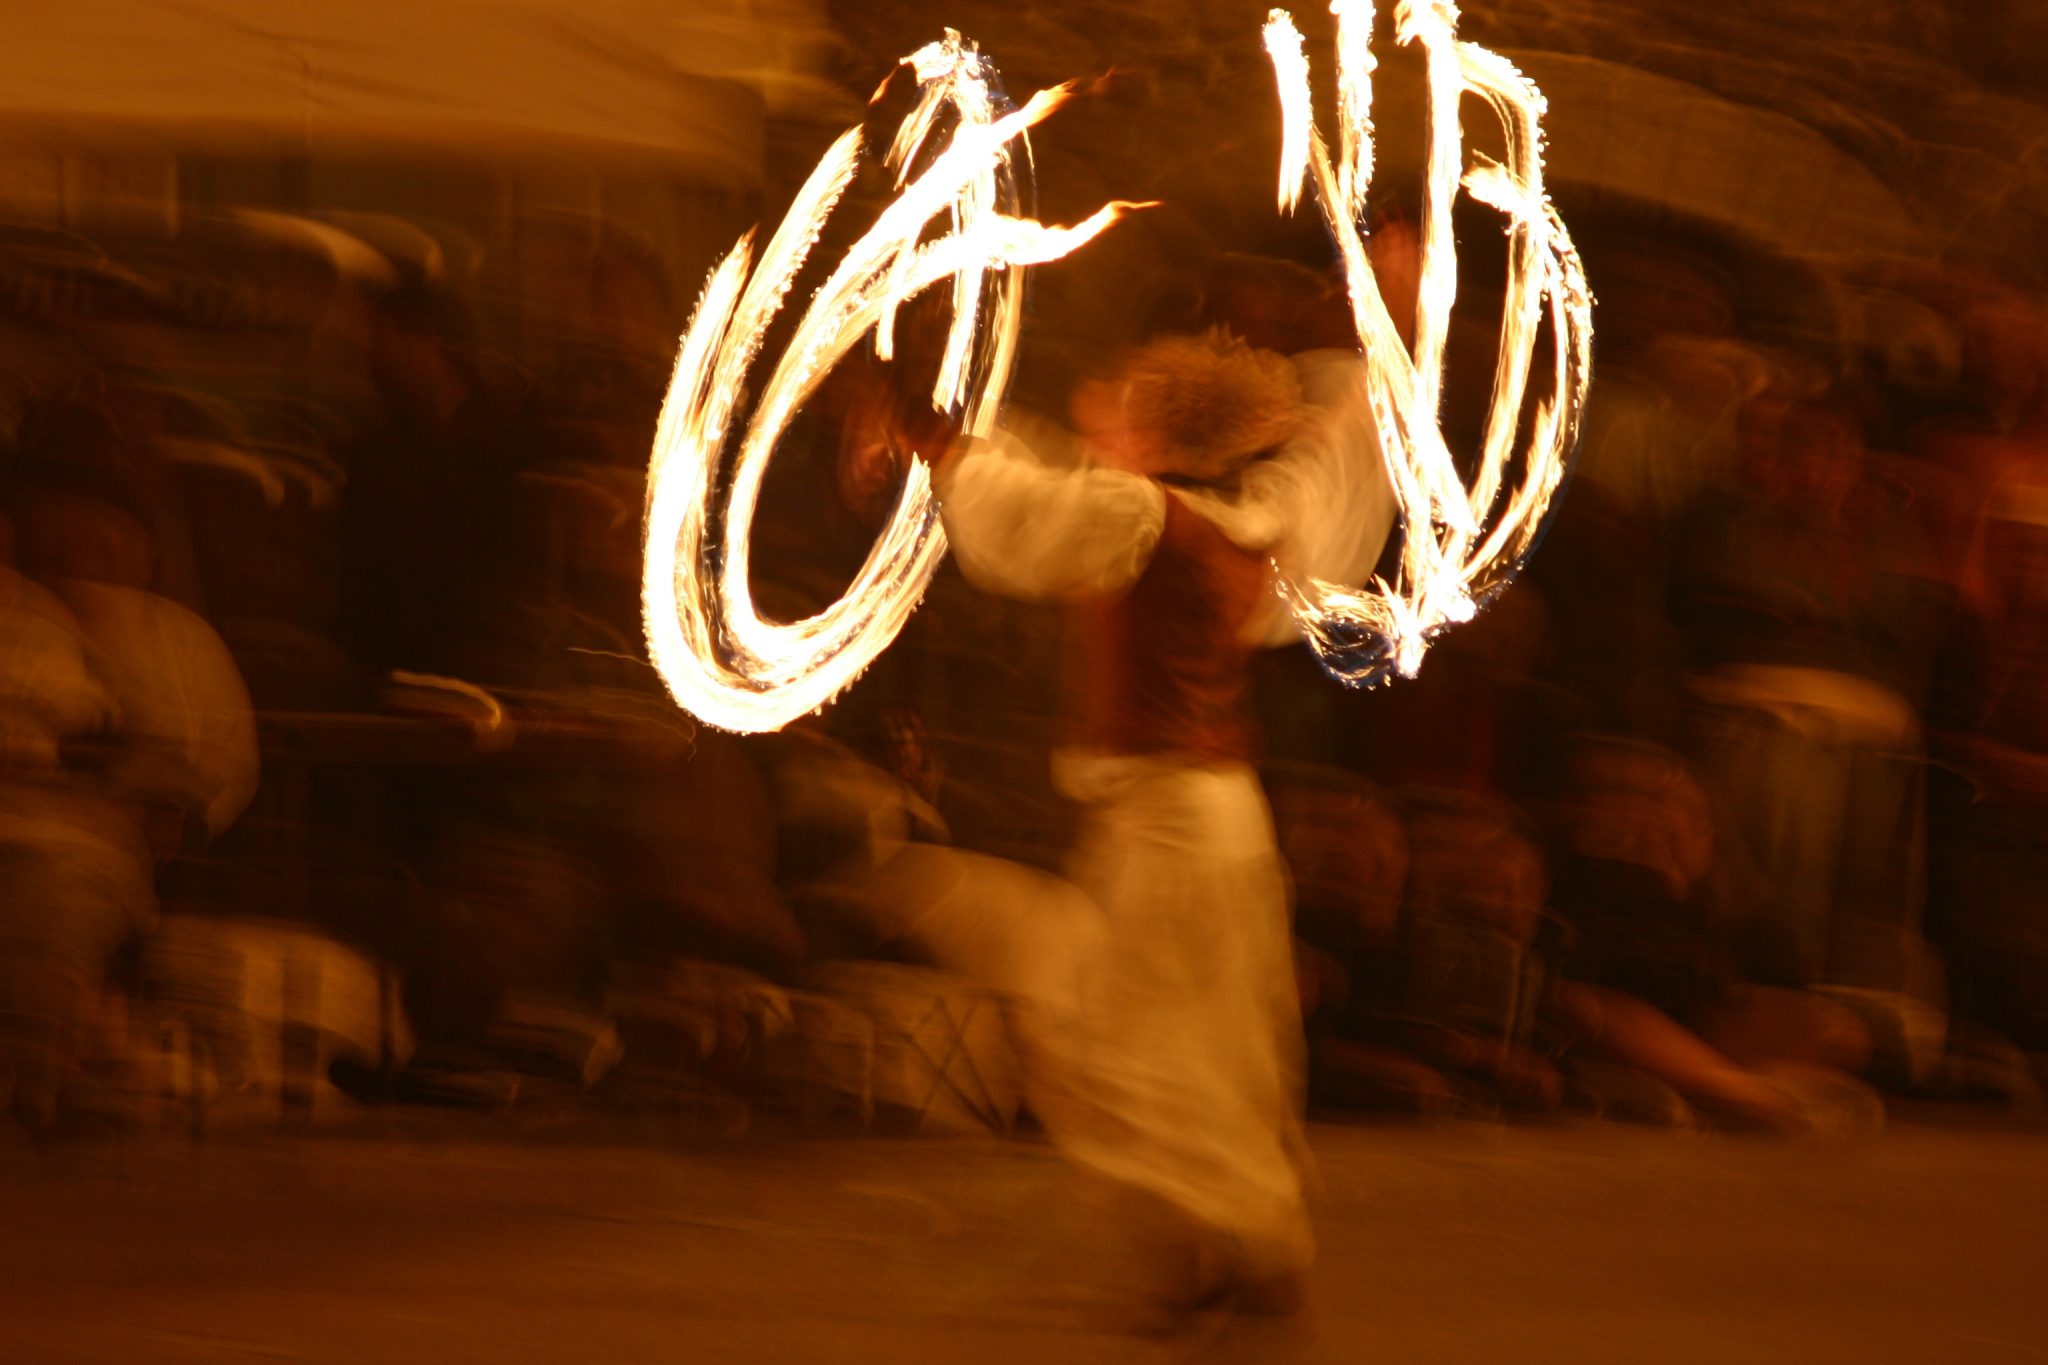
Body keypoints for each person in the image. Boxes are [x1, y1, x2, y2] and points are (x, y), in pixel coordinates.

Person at [931, 326, 1390, 1323]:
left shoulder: (1133, 513)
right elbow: (1322, 462)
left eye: (1122, 400)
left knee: (1131, 1045)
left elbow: (1026, 514)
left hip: (1169, 824)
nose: (1099, 407)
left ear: (1160, 429)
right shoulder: (1252, 519)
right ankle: (1239, 1246)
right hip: (1223, 818)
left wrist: (942, 449)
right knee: (1211, 1045)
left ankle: (1227, 1247)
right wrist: (1379, 353)